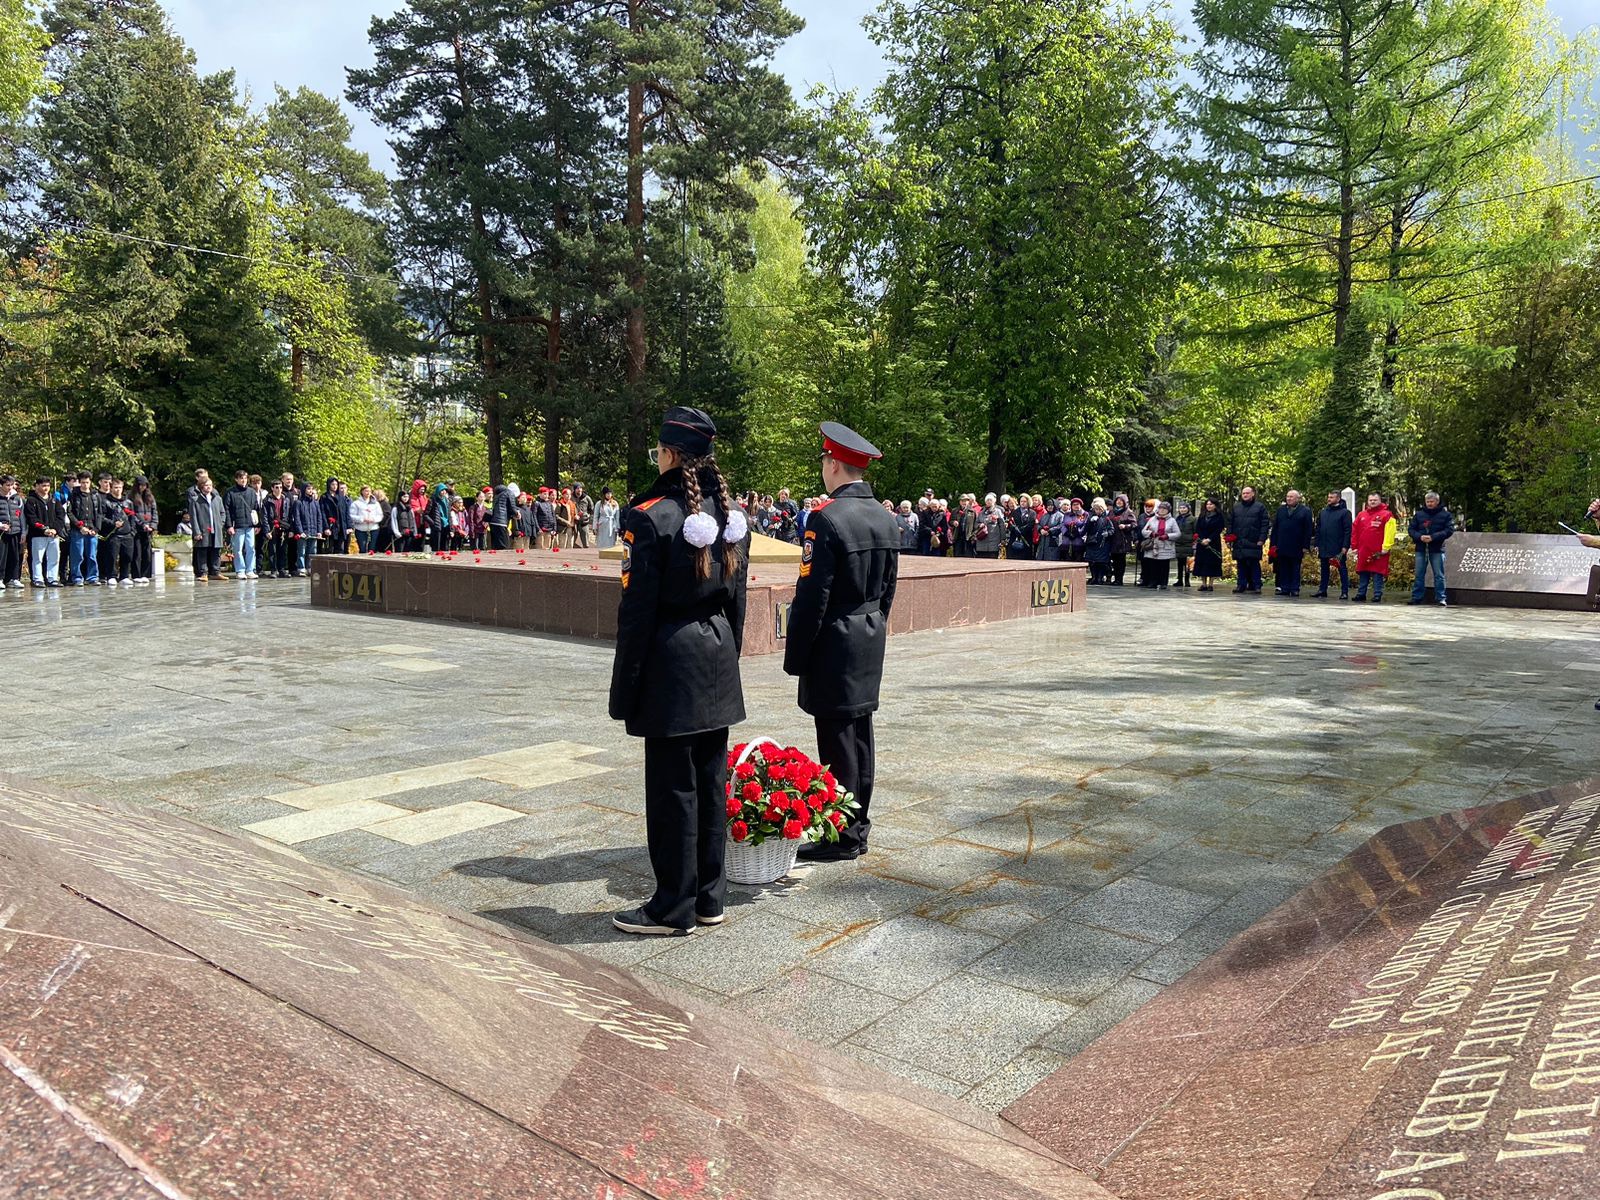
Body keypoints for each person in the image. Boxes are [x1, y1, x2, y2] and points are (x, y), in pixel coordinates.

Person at [608, 407, 749, 936]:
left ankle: (672, 907)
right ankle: (710, 898)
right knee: (711, 783)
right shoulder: (731, 514)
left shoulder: (648, 515)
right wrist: (724, 661)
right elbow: (736, 602)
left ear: (667, 454)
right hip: (715, 658)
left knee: (673, 791)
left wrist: (626, 688)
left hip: (671, 663)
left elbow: (636, 614)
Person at [785, 421, 899, 864]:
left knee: (835, 739)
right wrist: (874, 624)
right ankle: (858, 824)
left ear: (833, 463)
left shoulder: (826, 518)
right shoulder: (884, 517)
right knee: (860, 735)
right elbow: (889, 587)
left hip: (834, 639)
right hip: (868, 633)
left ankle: (841, 835)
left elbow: (812, 597)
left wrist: (797, 655)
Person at [1409, 491, 1454, 606]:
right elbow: (1411, 530)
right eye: (1427, 501)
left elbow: (1449, 530)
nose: (1429, 504)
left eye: (1431, 501)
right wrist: (1420, 537)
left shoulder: (1446, 515)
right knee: (1419, 574)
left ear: (1437, 502)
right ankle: (1416, 597)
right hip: (1421, 548)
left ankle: (1441, 598)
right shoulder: (1419, 515)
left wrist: (1433, 537)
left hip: (1437, 549)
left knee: (1439, 575)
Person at [1351, 493, 1396, 603]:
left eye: (1375, 500)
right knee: (1363, 572)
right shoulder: (1361, 515)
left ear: (1380, 501)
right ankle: (1361, 594)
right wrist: (1354, 546)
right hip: (1364, 550)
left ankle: (1377, 594)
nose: (1372, 502)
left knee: (1377, 573)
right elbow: (1354, 531)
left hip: (1379, 551)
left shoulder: (1387, 515)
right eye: (1370, 500)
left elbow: (1390, 532)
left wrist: (1386, 547)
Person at [1270, 490, 1314, 597]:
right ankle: (1284, 588)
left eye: (1291, 497)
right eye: (1287, 496)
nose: (1289, 499)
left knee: (1295, 567)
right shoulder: (1281, 510)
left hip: (1297, 545)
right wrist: (1273, 544)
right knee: (1283, 567)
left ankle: (1295, 588)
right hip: (1282, 544)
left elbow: (1308, 529)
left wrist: (1305, 545)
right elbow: (1275, 528)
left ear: (1298, 499)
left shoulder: (1305, 511)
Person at [24, 477, 65, 588]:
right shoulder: (31, 501)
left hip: (54, 535)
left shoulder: (54, 500)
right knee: (37, 558)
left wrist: (55, 529)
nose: (46, 488)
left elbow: (60, 516)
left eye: (47, 485)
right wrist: (44, 529)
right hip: (38, 535)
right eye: (43, 485)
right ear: (36, 486)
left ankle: (52, 578)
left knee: (54, 558)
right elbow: (31, 518)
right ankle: (38, 579)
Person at [1229, 486, 1271, 594]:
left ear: (1253, 494)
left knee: (1254, 564)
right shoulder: (1236, 507)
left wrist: (1262, 538)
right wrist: (1230, 537)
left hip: (1254, 540)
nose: (1245, 495)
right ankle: (1241, 585)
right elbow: (1230, 523)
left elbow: (1265, 524)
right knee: (1241, 564)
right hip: (1239, 540)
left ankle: (1256, 585)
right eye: (1243, 493)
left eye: (1247, 493)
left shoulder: (1260, 507)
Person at [1313, 491, 1353, 599]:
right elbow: (1318, 529)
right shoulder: (1323, 512)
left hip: (1338, 546)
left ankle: (1344, 592)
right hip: (1324, 545)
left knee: (1342, 569)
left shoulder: (1345, 513)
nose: (1329, 499)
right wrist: (1317, 543)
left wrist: (1345, 546)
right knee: (1324, 568)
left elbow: (1347, 531)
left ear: (1338, 498)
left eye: (1331, 497)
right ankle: (1322, 590)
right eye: (1328, 497)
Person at [98, 477, 137, 587]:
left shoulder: (128, 502)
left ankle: (124, 576)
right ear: (111, 488)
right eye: (115, 487)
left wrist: (132, 531)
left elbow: (132, 517)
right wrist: (112, 523)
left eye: (120, 487)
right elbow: (101, 517)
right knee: (112, 556)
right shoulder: (106, 502)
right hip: (113, 534)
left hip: (127, 534)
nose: (118, 490)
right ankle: (111, 576)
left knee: (127, 556)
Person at [188, 475, 227, 582]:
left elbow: (222, 513)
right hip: (203, 530)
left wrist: (220, 523)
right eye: (206, 485)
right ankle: (203, 573)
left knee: (216, 551)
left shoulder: (217, 499)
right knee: (202, 551)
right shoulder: (195, 500)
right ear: (201, 487)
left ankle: (215, 572)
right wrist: (197, 531)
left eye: (210, 485)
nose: (209, 487)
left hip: (216, 529)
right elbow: (194, 517)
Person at [223, 470, 260, 579]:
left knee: (251, 548)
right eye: (241, 478)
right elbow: (226, 510)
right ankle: (240, 570)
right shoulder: (230, 492)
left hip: (250, 525)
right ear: (236, 479)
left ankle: (250, 570)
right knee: (238, 549)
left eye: (245, 478)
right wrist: (229, 525)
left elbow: (256, 509)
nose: (243, 480)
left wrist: (258, 525)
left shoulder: (252, 492)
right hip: (237, 526)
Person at [1141, 501, 1180, 589]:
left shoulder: (1172, 521)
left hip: (1166, 545)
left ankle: (1163, 583)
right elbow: (1144, 531)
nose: (1161, 510)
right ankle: (1152, 582)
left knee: (1164, 565)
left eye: (1164, 509)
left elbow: (1177, 534)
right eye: (1160, 508)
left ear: (1168, 510)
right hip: (1154, 545)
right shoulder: (1152, 519)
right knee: (1152, 564)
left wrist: (1167, 536)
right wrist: (1151, 534)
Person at [289, 482, 324, 575]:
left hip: (313, 531)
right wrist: (300, 531)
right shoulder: (298, 503)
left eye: (312, 489)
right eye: (308, 489)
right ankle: (301, 567)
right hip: (303, 531)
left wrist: (319, 531)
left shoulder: (315, 503)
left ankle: (310, 567)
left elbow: (319, 518)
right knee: (302, 550)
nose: (311, 491)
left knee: (312, 551)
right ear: (304, 490)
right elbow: (296, 518)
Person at [1192, 498, 1226, 591]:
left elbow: (1219, 529)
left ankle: (1211, 584)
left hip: (1213, 542)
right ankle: (1203, 584)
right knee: (1202, 562)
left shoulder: (1219, 516)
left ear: (1215, 505)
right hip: (1202, 542)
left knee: (1212, 563)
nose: (1209, 506)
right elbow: (1198, 528)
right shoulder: (1202, 515)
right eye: (1207, 504)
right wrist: (1202, 539)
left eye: (1211, 504)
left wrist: (1209, 539)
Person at [131, 477, 158, 584]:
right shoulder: (132, 496)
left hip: (148, 529)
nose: (142, 487)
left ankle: (145, 574)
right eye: (140, 485)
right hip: (137, 529)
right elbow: (132, 514)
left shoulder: (150, 497)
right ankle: (136, 574)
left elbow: (154, 512)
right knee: (137, 552)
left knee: (147, 553)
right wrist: (142, 524)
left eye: (144, 485)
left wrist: (153, 525)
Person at [262, 481, 291, 577]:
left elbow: (289, 514)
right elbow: (264, 517)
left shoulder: (286, 499)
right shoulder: (267, 500)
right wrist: (267, 531)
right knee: (272, 550)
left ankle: (282, 569)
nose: (279, 490)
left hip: (283, 528)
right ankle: (273, 570)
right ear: (272, 488)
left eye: (280, 487)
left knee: (282, 550)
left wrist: (289, 528)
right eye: (277, 487)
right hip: (272, 528)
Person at [1109, 494, 1138, 585]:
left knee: (1120, 560)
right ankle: (1114, 578)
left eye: (1121, 501)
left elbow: (1134, 524)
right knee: (1114, 560)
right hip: (1113, 539)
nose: (1119, 502)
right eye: (1117, 500)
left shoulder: (1128, 512)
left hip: (1123, 540)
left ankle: (1119, 579)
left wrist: (1126, 526)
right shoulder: (1112, 512)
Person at [0, 475, 22, 590]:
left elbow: (21, 515)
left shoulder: (16, 498)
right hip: (2, 532)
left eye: (11, 485)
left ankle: (14, 578)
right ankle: (0, 578)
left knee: (15, 556)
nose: (10, 487)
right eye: (7, 485)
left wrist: (23, 532)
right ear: (1, 485)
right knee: (1, 556)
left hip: (15, 531)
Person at [1084, 498, 1113, 583]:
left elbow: (1112, 530)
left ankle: (1100, 577)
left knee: (1101, 562)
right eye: (1096, 509)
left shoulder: (1106, 519)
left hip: (1102, 544)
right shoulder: (1090, 517)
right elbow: (1086, 529)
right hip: (1092, 542)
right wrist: (1090, 521)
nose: (1097, 511)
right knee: (1092, 561)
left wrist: (1107, 533)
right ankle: (1093, 577)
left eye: (1099, 509)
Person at [1173, 501, 1195, 588]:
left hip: (1188, 543)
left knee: (1187, 563)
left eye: (1184, 508)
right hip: (1178, 543)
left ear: (1188, 509)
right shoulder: (1176, 519)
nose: (1182, 510)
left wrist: (1193, 540)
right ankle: (1179, 580)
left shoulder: (1193, 519)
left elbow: (1195, 531)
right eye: (1181, 508)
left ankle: (1187, 580)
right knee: (1179, 563)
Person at [573, 482, 594, 548]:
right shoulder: (571, 497)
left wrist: (588, 516)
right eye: (577, 488)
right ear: (574, 490)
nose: (579, 490)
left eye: (580, 488)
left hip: (584, 522)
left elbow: (592, 509)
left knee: (586, 543)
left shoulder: (587, 498)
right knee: (571, 541)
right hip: (574, 522)